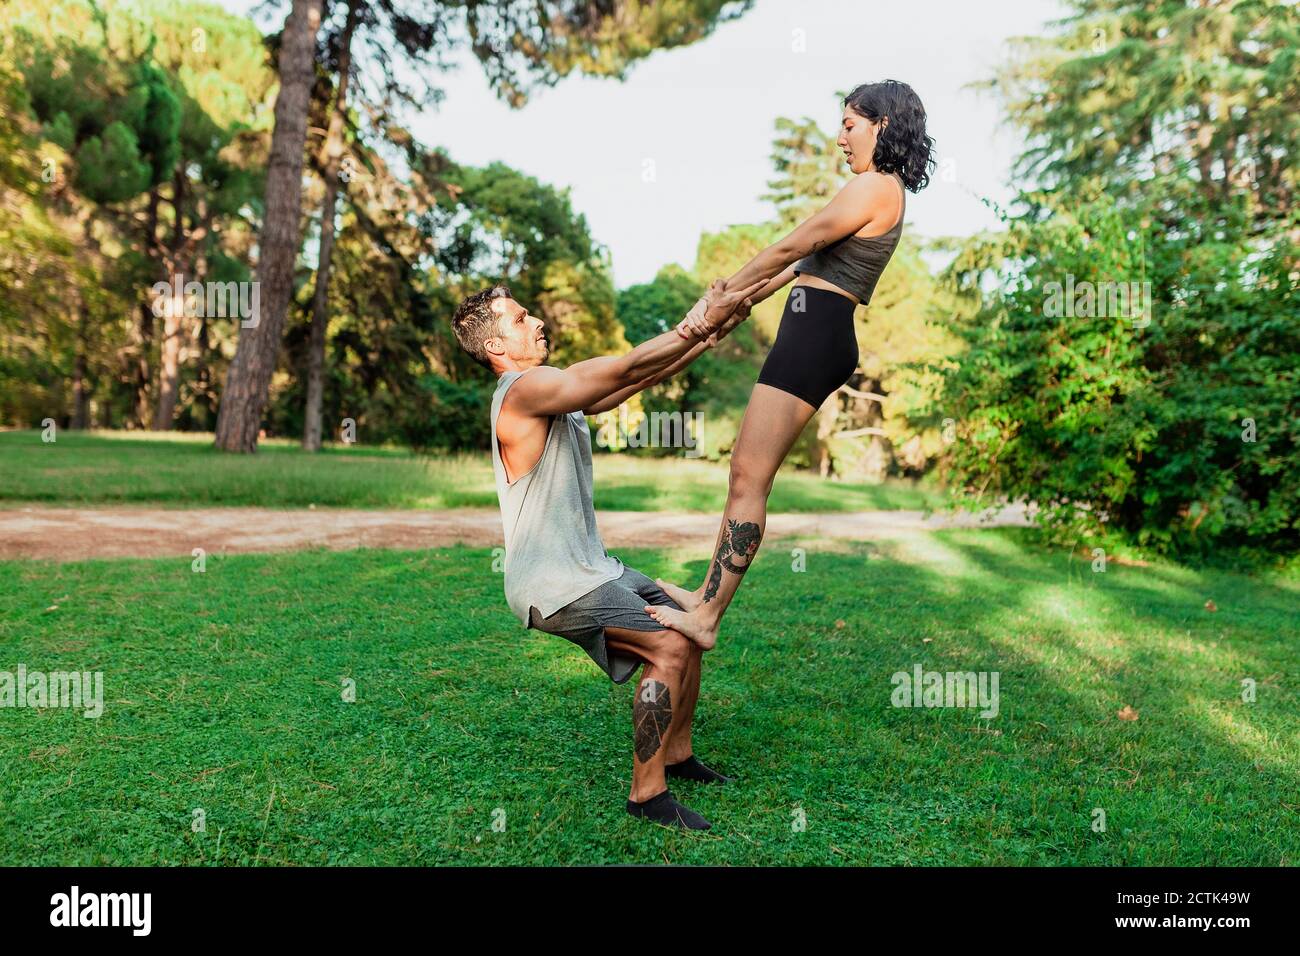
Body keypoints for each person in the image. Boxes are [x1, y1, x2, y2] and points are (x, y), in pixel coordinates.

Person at [451, 277, 762, 830]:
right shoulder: (522, 393)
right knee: (666, 646)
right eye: (521, 319)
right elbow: (619, 369)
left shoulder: (553, 396)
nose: (537, 321)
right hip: (553, 584)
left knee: (688, 624)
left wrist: (707, 333)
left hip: (592, 568)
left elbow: (633, 380)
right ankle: (647, 795)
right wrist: (694, 322)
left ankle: (678, 754)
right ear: (495, 346)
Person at [645, 79, 937, 650]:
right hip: (815, 330)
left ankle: (706, 617)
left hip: (816, 335)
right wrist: (738, 303)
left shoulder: (875, 187)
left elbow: (785, 246)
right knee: (744, 473)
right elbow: (797, 265)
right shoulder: (875, 191)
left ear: (882, 125)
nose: (840, 139)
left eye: (850, 125)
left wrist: (720, 294)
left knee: (750, 476)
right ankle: (705, 596)